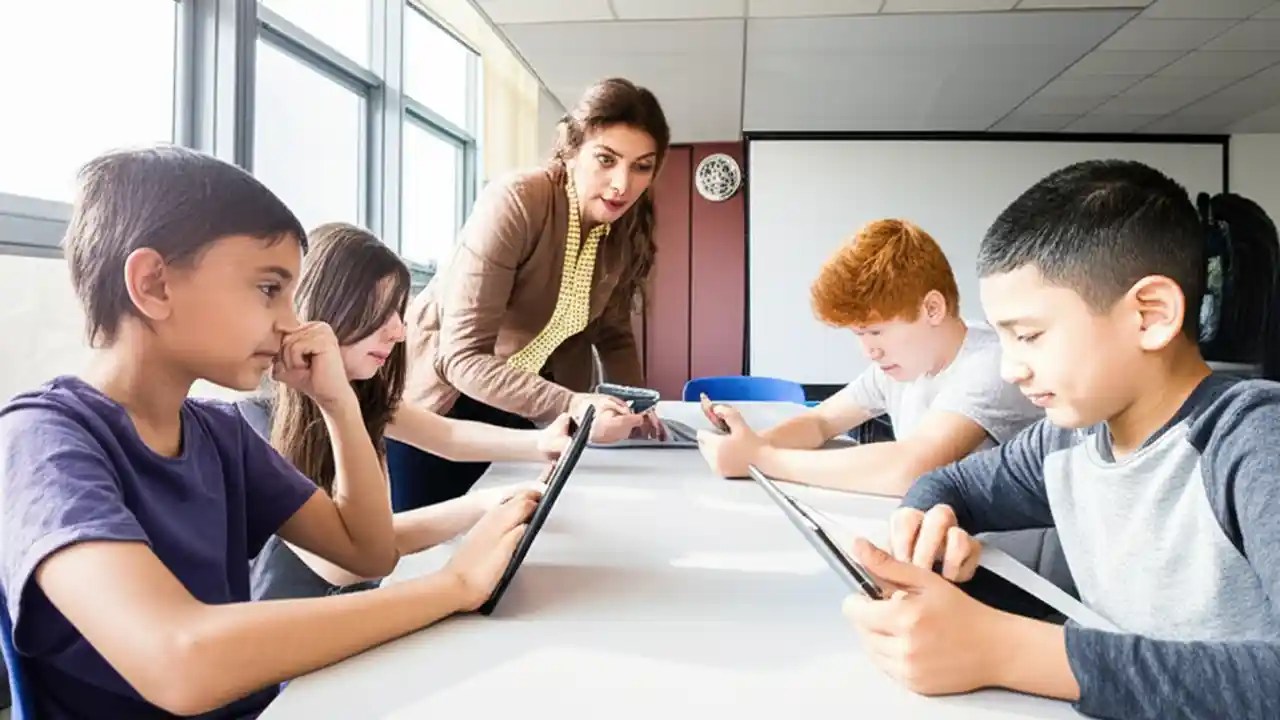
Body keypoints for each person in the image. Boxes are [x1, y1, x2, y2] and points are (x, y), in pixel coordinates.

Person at [0, 146, 537, 718]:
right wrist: (450, 588)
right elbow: (180, 661)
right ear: (154, 284)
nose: (293, 321)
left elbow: (369, 551)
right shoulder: (42, 442)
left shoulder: (220, 433)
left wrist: (337, 404)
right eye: (268, 289)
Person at [842, 160, 1280, 720]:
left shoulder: (1248, 440)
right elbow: (951, 483)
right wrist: (926, 521)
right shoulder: (1066, 441)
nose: (1010, 370)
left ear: (1151, 315)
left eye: (1028, 336)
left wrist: (1004, 650)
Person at [241, 222, 570, 600]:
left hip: (358, 608)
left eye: (398, 313)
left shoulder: (359, 393)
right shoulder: (256, 422)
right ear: (328, 307)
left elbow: (447, 436)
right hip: (294, 629)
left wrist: (544, 441)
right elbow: (342, 561)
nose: (398, 332)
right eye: (381, 312)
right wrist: (480, 506)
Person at [395, 77, 672, 511]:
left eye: (641, 166)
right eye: (606, 159)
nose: (622, 184)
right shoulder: (518, 201)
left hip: (527, 409)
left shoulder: (622, 230)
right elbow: (461, 357)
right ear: (572, 150)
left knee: (509, 548)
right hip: (445, 408)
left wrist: (633, 407)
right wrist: (575, 403)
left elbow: (614, 333)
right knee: (421, 554)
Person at [698, 219, 1040, 495]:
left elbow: (911, 467)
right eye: (859, 335)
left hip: (1001, 560)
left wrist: (760, 458)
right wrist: (749, 445)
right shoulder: (900, 365)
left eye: (875, 332)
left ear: (932, 309)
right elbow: (821, 422)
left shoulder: (992, 365)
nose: (869, 351)